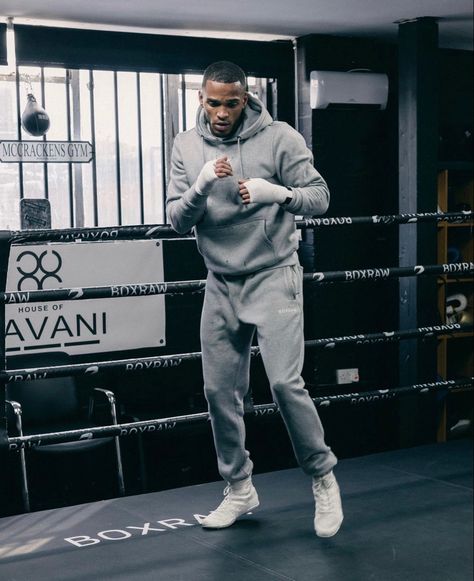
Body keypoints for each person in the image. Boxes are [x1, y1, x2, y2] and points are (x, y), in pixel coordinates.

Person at [166, 61, 343, 537]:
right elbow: (177, 222)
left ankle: (323, 478)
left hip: (273, 274)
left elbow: (320, 197)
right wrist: (201, 185)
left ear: (246, 99)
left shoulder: (280, 137)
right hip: (220, 279)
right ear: (200, 98)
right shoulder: (186, 145)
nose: (221, 113)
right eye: (213, 102)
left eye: (232, 103)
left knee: (286, 384)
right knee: (219, 391)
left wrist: (279, 193)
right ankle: (239, 487)